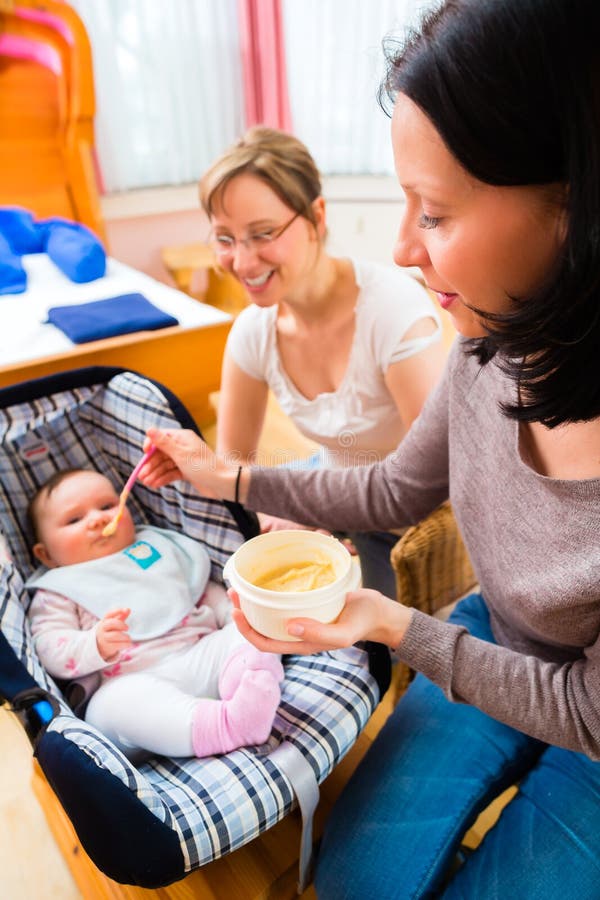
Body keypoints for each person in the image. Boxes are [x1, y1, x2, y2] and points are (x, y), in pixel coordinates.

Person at [139, 0, 600, 895]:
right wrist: (225, 473)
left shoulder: (410, 324)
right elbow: (392, 491)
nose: (400, 246)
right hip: (492, 633)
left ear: (574, 213)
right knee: (353, 882)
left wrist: (393, 624)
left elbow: (584, 709)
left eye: (432, 213)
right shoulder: (484, 347)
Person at [201, 125, 447, 599]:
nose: (243, 262)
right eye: (224, 238)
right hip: (334, 484)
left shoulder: (393, 314)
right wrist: (289, 512)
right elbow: (234, 466)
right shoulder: (253, 331)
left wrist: (322, 510)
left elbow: (433, 478)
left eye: (263, 233)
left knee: (380, 649)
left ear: (316, 216)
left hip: (415, 517)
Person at [26, 468, 283, 761]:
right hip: (135, 681)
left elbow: (201, 590)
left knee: (251, 626)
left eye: (109, 506)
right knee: (109, 709)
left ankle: (246, 684)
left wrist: (236, 615)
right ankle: (227, 725)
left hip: (203, 656)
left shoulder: (156, 549)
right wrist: (93, 644)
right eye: (74, 519)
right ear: (45, 555)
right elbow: (47, 647)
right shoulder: (57, 589)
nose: (98, 519)